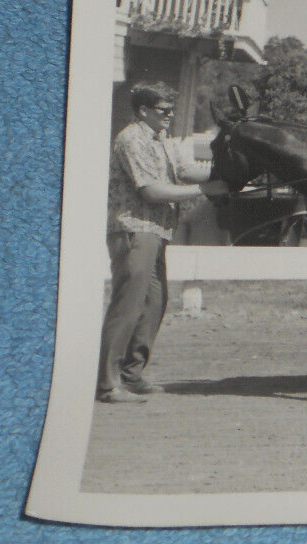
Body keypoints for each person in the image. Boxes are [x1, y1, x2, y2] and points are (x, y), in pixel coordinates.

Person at [97, 83, 228, 403]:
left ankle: (132, 374)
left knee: (155, 303)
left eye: (172, 109)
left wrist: (231, 173)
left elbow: (185, 170)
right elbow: (151, 191)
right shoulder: (131, 139)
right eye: (163, 110)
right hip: (134, 231)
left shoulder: (163, 140)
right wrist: (207, 191)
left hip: (157, 231)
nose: (170, 115)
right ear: (143, 111)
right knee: (128, 305)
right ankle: (107, 383)